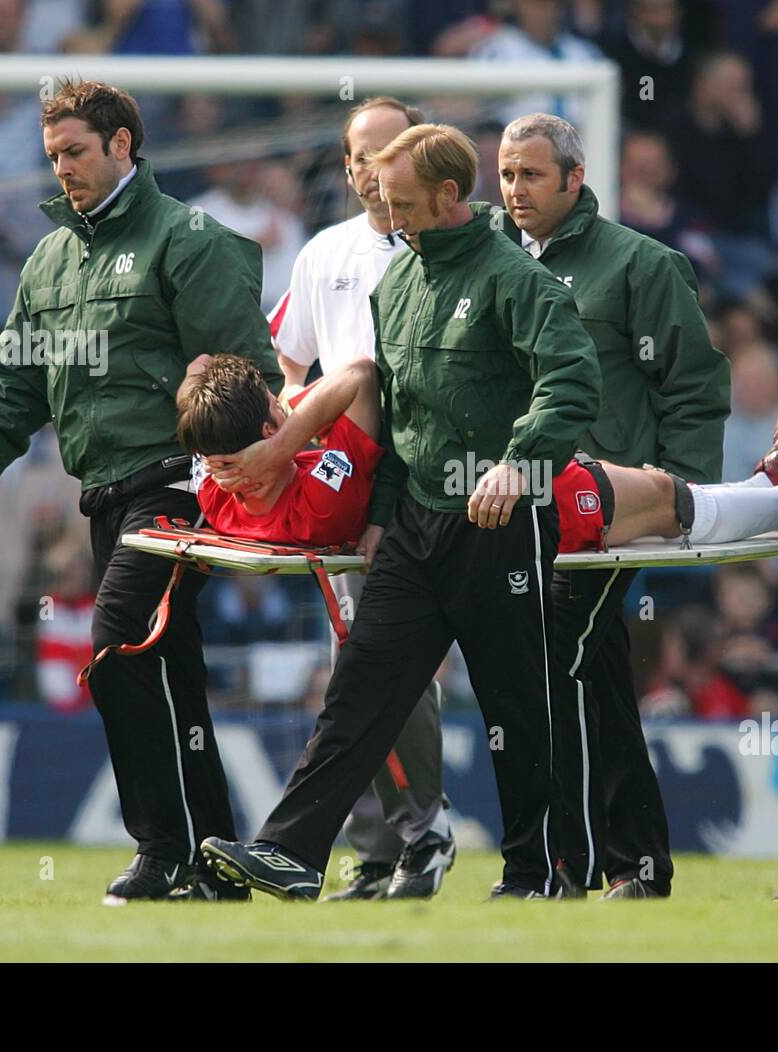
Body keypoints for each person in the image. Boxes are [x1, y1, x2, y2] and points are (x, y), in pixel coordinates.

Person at [198, 123, 602, 901]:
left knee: (517, 706)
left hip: (501, 523)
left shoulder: (516, 280)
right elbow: (400, 414)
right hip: (416, 522)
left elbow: (573, 385)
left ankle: (541, 871)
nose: (389, 215)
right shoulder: (398, 286)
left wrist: (520, 465)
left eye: (404, 202)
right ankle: (291, 853)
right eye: (383, 199)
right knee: (361, 687)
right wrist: (381, 514)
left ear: (450, 196)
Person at [0, 79, 284, 905]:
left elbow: (249, 379)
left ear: (123, 145)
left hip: (181, 486)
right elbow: (13, 387)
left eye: (75, 152)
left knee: (119, 643)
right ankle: (211, 860)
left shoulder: (191, 240)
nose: (62, 170)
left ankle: (162, 851)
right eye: (52, 156)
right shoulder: (48, 259)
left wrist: (223, 459)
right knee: (165, 668)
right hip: (104, 494)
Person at [495, 112, 733, 897]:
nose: (515, 189)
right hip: (513, 506)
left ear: (574, 178)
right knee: (589, 674)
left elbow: (694, 385)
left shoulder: (642, 264)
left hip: (609, 511)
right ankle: (638, 861)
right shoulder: (488, 261)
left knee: (555, 658)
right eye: (505, 174)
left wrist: (678, 501)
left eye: (531, 174)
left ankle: (573, 862)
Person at [253, 96, 456, 902]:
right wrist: (302, 444)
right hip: (353, 490)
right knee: (365, 665)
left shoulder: (454, 254)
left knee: (394, 667)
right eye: (362, 157)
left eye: (392, 152)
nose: (376, 170)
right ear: (346, 168)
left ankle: (447, 837)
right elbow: (288, 365)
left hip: (447, 483)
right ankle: (390, 849)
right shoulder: (324, 254)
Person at [176, 354, 778, 555]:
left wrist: (276, 422)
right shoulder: (319, 496)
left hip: (475, 490)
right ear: (268, 429)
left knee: (659, 502)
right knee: (664, 503)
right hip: (515, 500)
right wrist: (286, 437)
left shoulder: (214, 494)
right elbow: (361, 376)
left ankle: (772, 481)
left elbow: (201, 373)